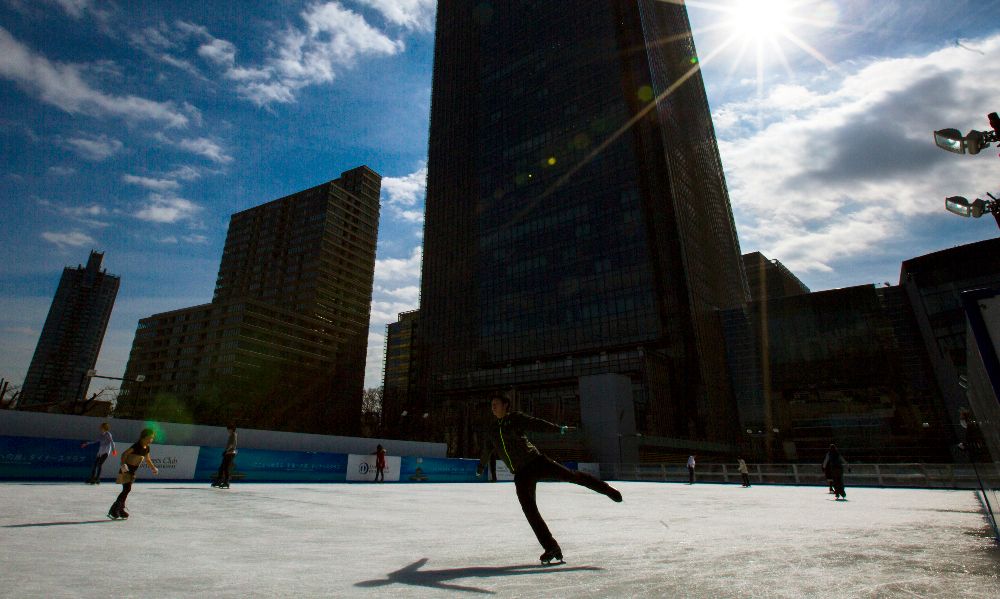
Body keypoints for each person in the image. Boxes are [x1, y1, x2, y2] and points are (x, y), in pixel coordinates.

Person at [476, 392, 623, 565]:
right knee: (530, 511)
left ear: (505, 405)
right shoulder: (493, 429)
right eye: (491, 404)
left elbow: (535, 424)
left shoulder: (514, 419)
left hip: (536, 461)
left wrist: (557, 429)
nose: (493, 407)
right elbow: (487, 449)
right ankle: (551, 547)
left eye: (496, 404)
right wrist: (481, 467)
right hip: (520, 474)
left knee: (571, 476)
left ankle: (606, 489)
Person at [108, 428, 158, 519]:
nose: (151, 440)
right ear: (144, 437)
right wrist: (123, 465)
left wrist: (153, 468)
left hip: (132, 472)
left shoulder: (147, 448)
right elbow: (124, 454)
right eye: (150, 438)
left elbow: (147, 459)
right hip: (126, 470)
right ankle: (115, 509)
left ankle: (119, 509)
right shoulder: (137, 446)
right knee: (127, 489)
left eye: (152, 438)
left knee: (127, 489)